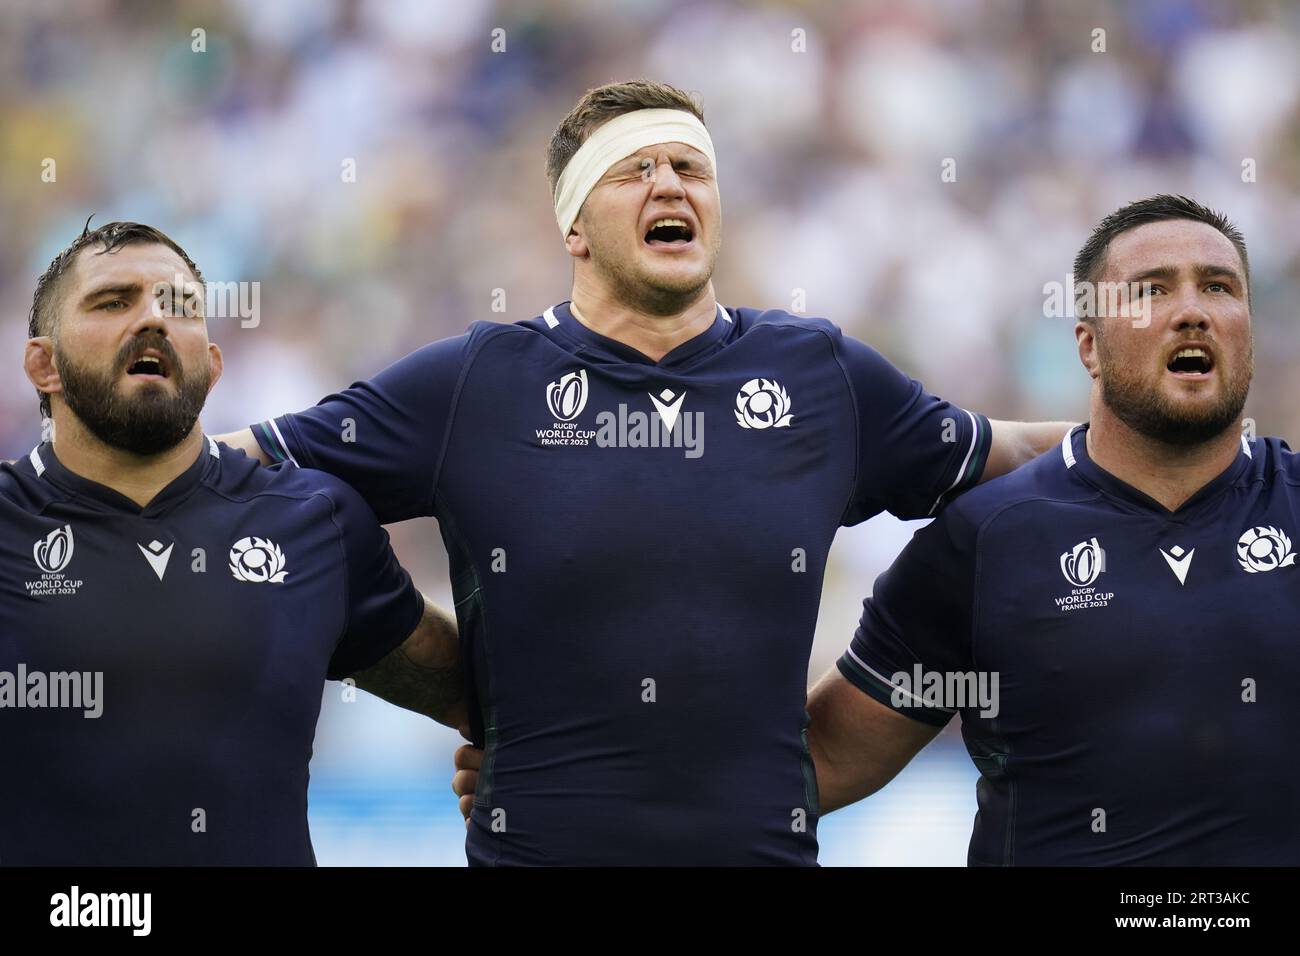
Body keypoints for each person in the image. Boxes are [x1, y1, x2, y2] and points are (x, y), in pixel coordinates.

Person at [220, 79, 1070, 865]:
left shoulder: (823, 376)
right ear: (574, 228)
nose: (671, 184)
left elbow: (1016, 459)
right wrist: (450, 688)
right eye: (634, 170)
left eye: (692, 167)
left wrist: (1189, 433)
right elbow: (249, 473)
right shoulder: (473, 384)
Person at [806, 195, 1300, 864]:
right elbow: (828, 759)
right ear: (1088, 346)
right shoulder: (985, 539)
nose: (1193, 310)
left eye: (1219, 287)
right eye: (1151, 290)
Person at [0, 221, 466, 865]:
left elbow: (475, 699)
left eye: (181, 306)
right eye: (113, 301)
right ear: (42, 364)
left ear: (213, 365)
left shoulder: (313, 519)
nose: (154, 320)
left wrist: (511, 774)